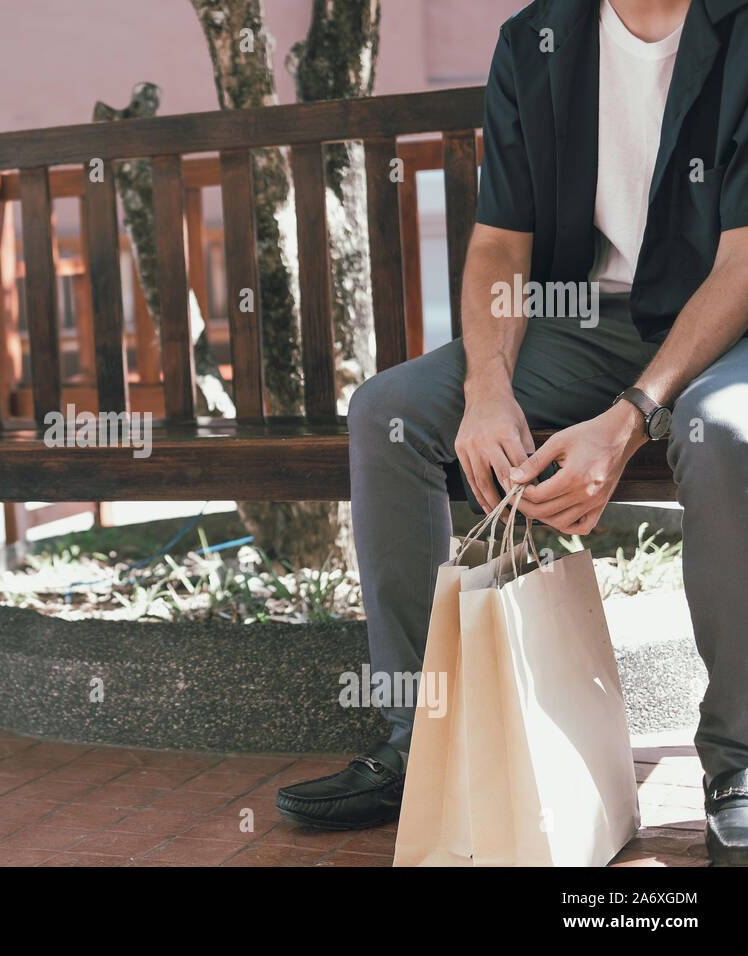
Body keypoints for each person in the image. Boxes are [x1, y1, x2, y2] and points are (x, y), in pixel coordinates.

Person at [276, 0, 748, 865]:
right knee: (389, 415)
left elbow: (744, 257)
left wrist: (632, 419)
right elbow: (500, 245)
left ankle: (740, 763)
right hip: (582, 323)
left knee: (724, 434)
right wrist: (487, 390)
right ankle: (423, 742)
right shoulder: (540, 39)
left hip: (729, 321)